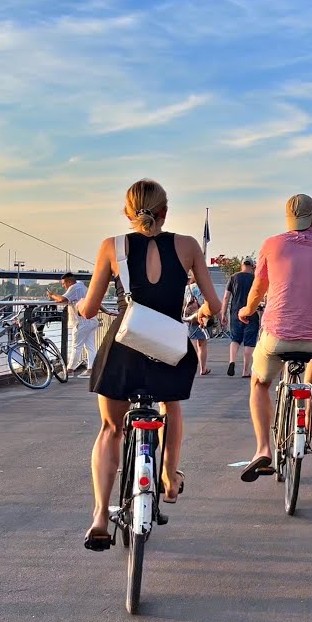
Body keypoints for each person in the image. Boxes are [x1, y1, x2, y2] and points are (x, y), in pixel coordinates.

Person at [76, 179, 220, 550]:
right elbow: (215, 304)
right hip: (170, 350)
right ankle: (169, 479)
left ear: (127, 213)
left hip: (124, 350)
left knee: (111, 428)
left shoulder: (111, 247)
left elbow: (89, 309)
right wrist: (204, 312)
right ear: (165, 212)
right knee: (170, 406)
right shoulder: (188, 246)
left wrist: (78, 305)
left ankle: (99, 516)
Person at [235, 194, 312, 483]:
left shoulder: (271, 245)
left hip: (276, 336)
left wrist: (247, 310)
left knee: (259, 383)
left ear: (288, 221)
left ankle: (263, 449)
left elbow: (258, 290)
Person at [48, 272, 98, 376]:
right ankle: (91, 369)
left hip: (82, 322)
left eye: (64, 283)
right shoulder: (83, 287)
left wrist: (52, 295)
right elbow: (68, 300)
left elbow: (63, 299)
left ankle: (69, 370)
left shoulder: (74, 288)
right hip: (91, 320)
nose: (63, 286)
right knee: (90, 346)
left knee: (76, 346)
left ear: (69, 282)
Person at [222, 257, 258, 377]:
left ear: (242, 265)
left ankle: (232, 361)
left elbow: (226, 297)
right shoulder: (255, 279)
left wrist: (223, 313)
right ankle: (245, 371)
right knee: (249, 342)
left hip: (235, 313)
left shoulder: (233, 277)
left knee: (235, 339)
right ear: (252, 267)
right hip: (251, 313)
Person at [184, 272, 210, 376]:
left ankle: (189, 366)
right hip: (201, 316)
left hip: (190, 317)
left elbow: (184, 303)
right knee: (202, 344)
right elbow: (207, 303)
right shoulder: (204, 288)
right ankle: (203, 368)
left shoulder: (187, 288)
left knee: (192, 342)